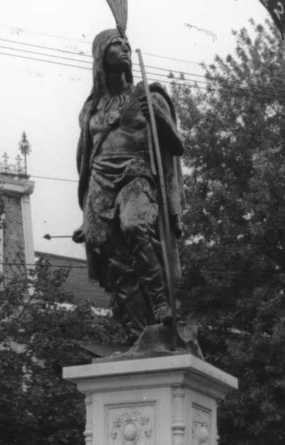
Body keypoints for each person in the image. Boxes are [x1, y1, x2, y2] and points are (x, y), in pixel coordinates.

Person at [74, 28, 186, 349]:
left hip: (136, 173)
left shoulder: (146, 97)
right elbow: (84, 158)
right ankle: (140, 334)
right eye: (116, 44)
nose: (124, 48)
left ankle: (162, 302)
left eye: (126, 44)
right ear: (101, 55)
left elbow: (177, 146)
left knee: (135, 225)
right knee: (119, 266)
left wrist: (160, 120)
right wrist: (87, 212)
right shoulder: (91, 109)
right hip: (99, 184)